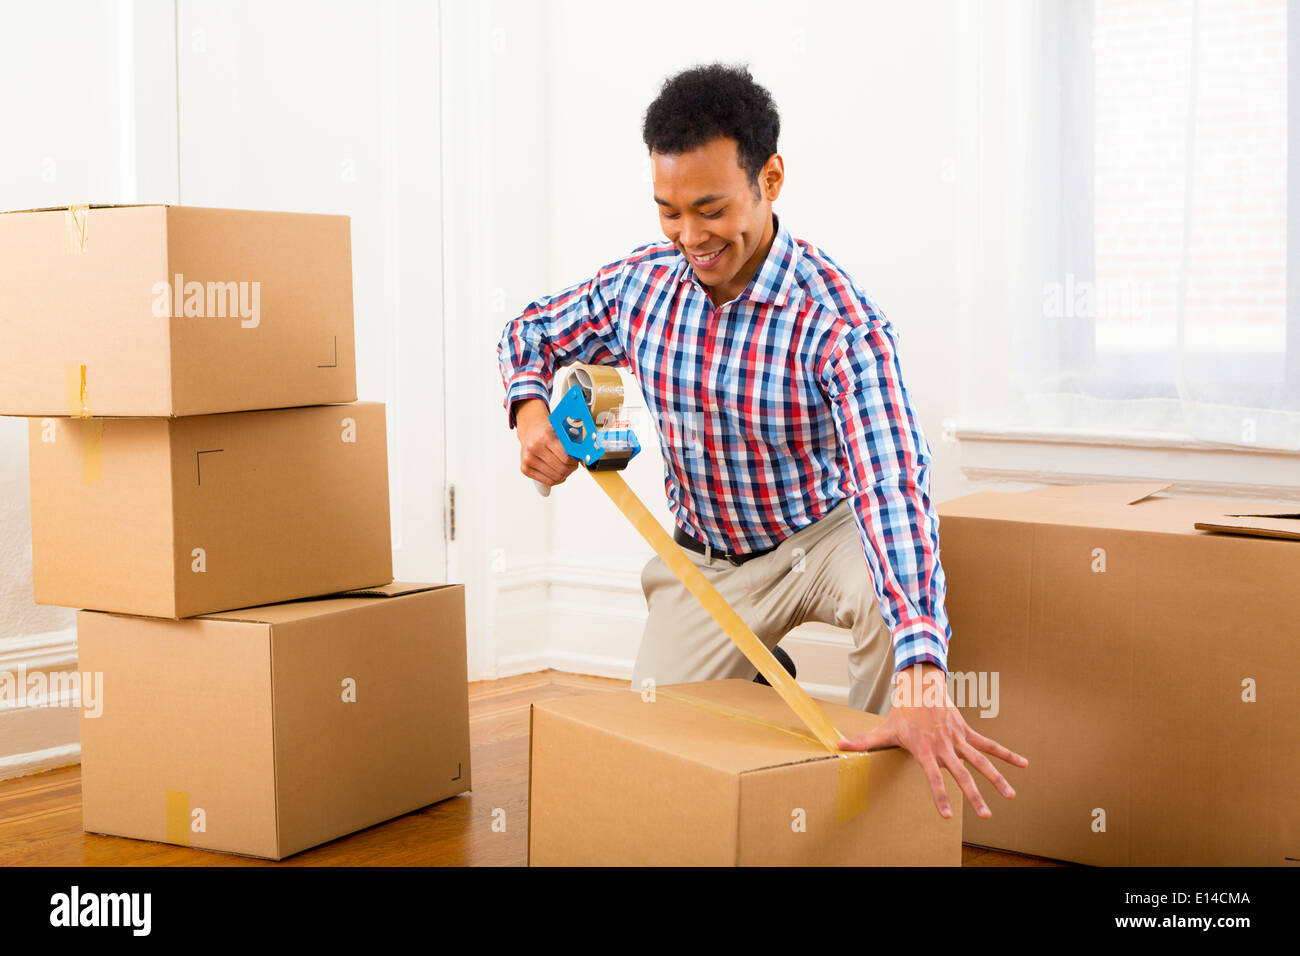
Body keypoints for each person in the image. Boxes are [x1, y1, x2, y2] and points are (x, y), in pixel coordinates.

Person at [497, 63, 1026, 820]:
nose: (690, 237)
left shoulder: (839, 323)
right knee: (659, 751)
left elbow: (892, 486)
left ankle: (885, 794)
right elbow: (531, 331)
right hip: (707, 561)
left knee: (890, 601)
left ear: (770, 178)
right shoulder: (642, 286)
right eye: (668, 212)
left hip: (822, 536)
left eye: (710, 209)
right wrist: (529, 409)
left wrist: (923, 668)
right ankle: (749, 666)